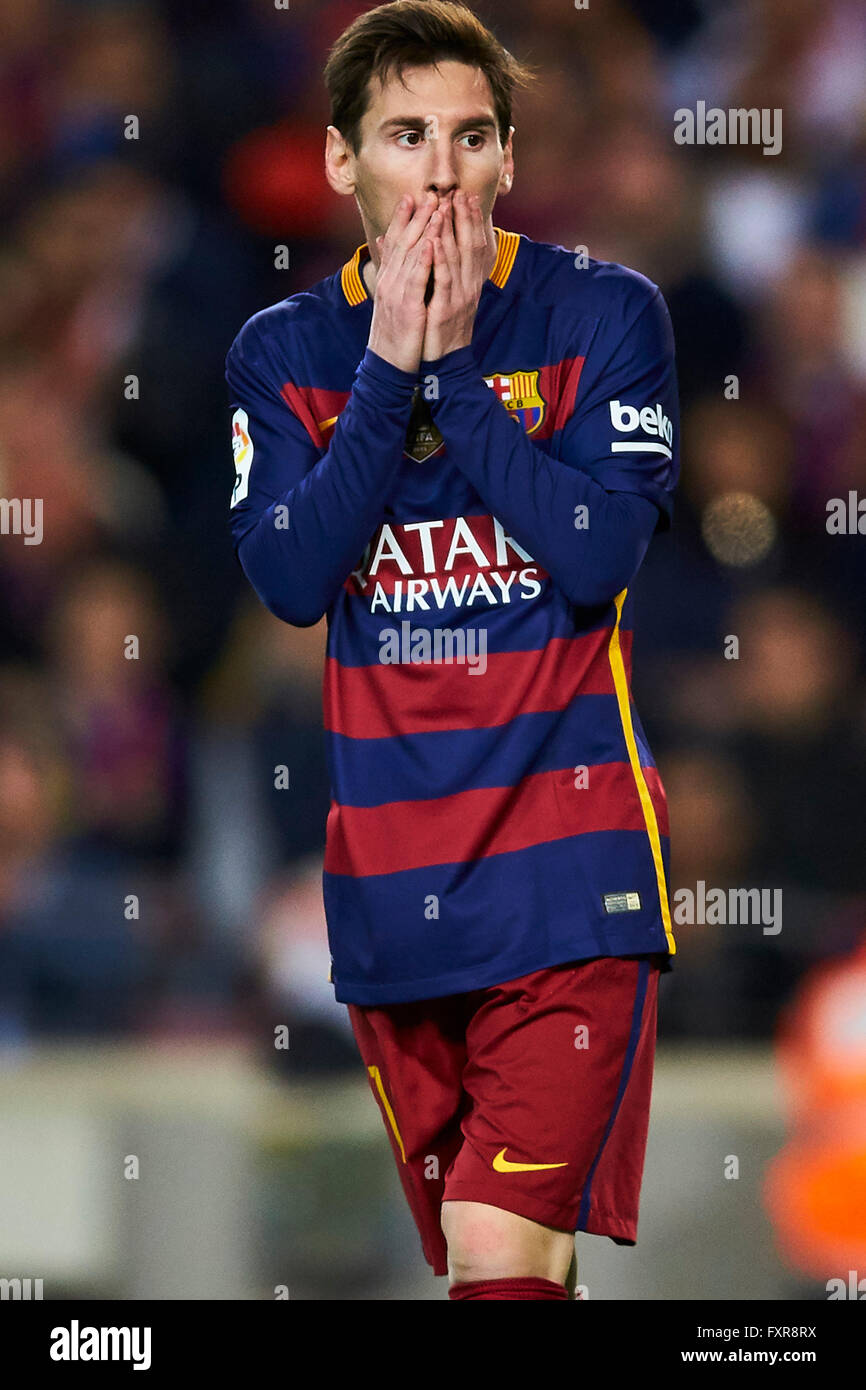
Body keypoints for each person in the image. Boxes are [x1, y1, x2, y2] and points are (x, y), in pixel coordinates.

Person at [225, 0, 679, 1301]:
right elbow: (289, 576)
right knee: (511, 1268)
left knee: (495, 1246)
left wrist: (458, 375)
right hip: (390, 895)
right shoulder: (282, 355)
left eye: (471, 137)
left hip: (567, 880)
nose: (440, 172)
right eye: (405, 135)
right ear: (336, 161)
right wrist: (386, 372)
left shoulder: (603, 318)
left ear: (509, 159)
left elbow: (596, 555)